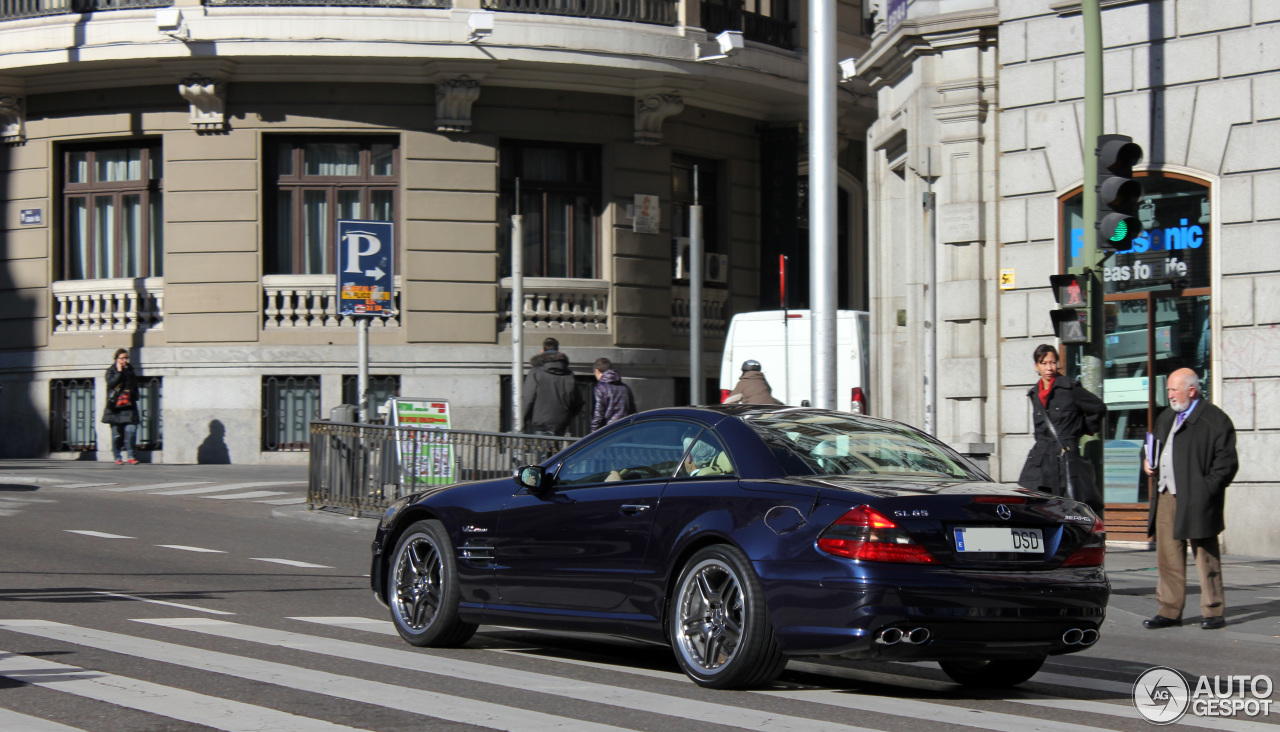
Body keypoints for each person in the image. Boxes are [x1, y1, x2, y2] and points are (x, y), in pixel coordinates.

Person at [1141, 368, 1238, 631]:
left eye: (1174, 390)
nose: (1170, 395)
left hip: (1198, 497)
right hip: (1166, 495)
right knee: (1168, 555)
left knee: (1205, 554)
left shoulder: (1215, 420)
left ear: (1191, 391)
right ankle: (1170, 610)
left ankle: (1213, 610)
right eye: (1169, 390)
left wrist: (1207, 490)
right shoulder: (1167, 416)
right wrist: (1147, 461)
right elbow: (1152, 445)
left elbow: (1227, 464)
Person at [1017, 344, 1105, 511]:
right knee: (1035, 506)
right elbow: (1039, 430)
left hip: (1065, 456)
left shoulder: (1070, 387)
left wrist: (1080, 429)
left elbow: (1098, 408)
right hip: (1041, 459)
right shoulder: (1034, 394)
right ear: (1037, 366)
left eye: (1052, 362)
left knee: (1068, 507)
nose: (1049, 367)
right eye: (1044, 363)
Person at [521, 337, 582, 436]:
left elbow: (528, 399)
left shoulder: (536, 372)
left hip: (541, 423)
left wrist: (522, 420)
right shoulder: (568, 374)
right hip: (561, 422)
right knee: (561, 451)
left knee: (541, 450)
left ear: (542, 351)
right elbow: (577, 401)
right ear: (558, 351)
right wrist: (568, 415)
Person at [102, 348, 140, 465]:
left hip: (129, 406)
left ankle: (131, 456)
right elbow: (111, 383)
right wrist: (119, 372)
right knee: (117, 434)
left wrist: (135, 395)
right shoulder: (111, 371)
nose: (124, 360)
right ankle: (117, 457)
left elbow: (134, 385)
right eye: (122, 358)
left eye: (125, 358)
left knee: (131, 431)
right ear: (116, 359)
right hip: (115, 407)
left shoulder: (130, 370)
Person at [590, 357, 636, 432]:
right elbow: (632, 412)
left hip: (608, 432)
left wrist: (592, 434)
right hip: (625, 430)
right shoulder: (625, 388)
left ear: (597, 371)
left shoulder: (600, 388)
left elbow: (598, 415)